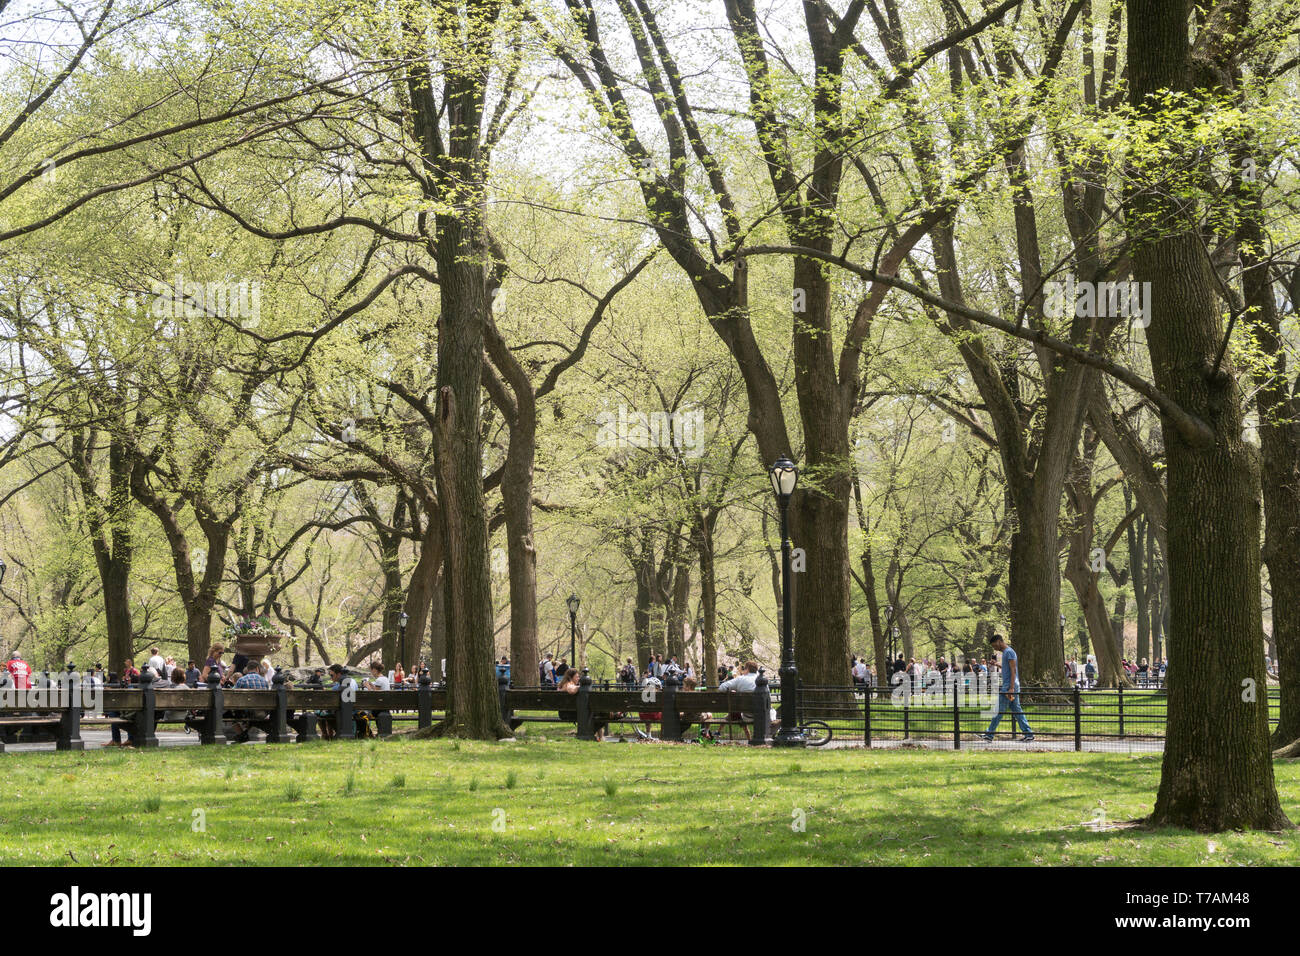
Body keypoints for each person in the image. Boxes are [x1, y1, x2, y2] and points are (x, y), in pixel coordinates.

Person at [979, 634, 1034, 742]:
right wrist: (997, 665)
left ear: (999, 641)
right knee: (1017, 711)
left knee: (999, 710)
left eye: (995, 645)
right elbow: (1008, 668)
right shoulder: (1006, 653)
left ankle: (989, 734)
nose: (994, 648)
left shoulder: (1009, 652)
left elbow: (1013, 670)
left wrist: (1011, 688)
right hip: (1010, 685)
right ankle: (1028, 734)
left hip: (1009, 686)